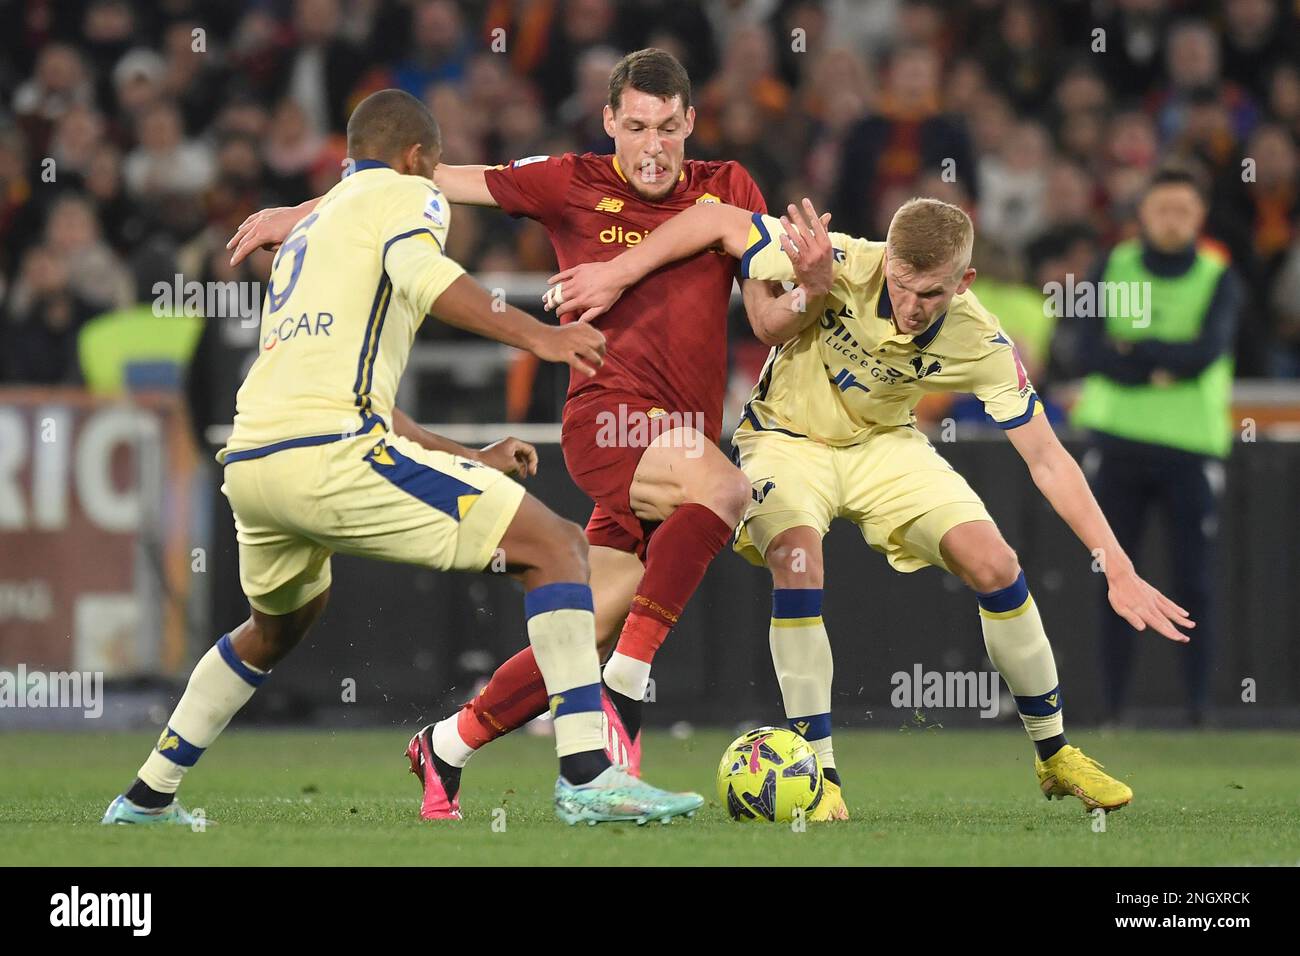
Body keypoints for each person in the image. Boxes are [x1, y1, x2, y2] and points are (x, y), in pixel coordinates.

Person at [226, 50, 833, 819]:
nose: (653, 146)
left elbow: (768, 319)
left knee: (591, 622)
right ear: (610, 121)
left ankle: (445, 744)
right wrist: (308, 210)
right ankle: (629, 687)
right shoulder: (569, 180)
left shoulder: (730, 186)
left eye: (670, 129)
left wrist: (810, 289)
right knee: (726, 488)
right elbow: (421, 178)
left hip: (680, 438)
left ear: (690, 125)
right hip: (609, 418)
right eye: (637, 126)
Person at [103, 88, 701, 827]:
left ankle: (145, 797)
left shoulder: (315, 228)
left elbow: (355, 391)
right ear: (419, 158)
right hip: (331, 453)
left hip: (255, 461)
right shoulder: (410, 197)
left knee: (276, 627)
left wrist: (468, 455)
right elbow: (428, 279)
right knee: (556, 547)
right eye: (433, 166)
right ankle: (588, 775)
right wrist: (541, 337)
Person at [544, 193, 1195, 812]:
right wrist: (613, 272)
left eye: (931, 293)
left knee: (996, 564)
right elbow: (713, 219)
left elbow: (1048, 457)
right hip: (785, 441)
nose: (912, 306)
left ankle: (1053, 753)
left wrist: (1114, 561)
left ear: (964, 282)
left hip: (886, 445)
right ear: (886, 259)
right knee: (799, 565)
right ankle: (821, 775)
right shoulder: (842, 258)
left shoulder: (981, 339)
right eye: (902, 286)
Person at [1063, 166, 1240, 726]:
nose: (1172, 220)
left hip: (1190, 449)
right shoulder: (1110, 266)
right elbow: (1085, 349)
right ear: (1142, 214)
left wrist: (1133, 353)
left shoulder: (1218, 275)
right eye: (1162, 209)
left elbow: (1207, 352)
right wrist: (1164, 361)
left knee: (1195, 583)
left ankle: (1197, 709)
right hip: (1118, 445)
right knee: (1115, 578)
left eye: (1183, 210)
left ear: (1200, 216)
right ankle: (1112, 709)